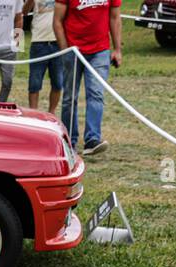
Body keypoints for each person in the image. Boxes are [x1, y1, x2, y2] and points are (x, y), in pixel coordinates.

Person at [55, 0, 122, 156]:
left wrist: (117, 49)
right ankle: (69, 141)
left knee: (96, 93)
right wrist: (65, 50)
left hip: (100, 50)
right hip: (74, 50)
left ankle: (92, 140)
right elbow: (57, 21)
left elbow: (115, 17)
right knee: (69, 97)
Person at [28, 0, 66, 113]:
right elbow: (22, 14)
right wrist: (17, 46)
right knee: (34, 82)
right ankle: (33, 114)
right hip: (38, 43)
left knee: (58, 82)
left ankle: (51, 113)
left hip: (57, 43)